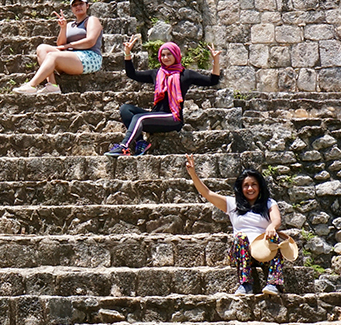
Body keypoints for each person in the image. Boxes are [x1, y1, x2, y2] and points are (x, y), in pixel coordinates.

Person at [106, 36, 221, 156]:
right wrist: (127, 53)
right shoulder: (157, 73)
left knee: (140, 118)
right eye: (163, 55)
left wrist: (216, 60)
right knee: (125, 109)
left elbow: (212, 81)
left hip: (173, 118)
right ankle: (140, 143)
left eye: (169, 54)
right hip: (155, 116)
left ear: (176, 55)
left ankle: (124, 147)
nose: (165, 58)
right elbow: (132, 74)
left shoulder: (186, 74)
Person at [186, 155, 284, 295]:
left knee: (275, 239)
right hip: (242, 253)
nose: (250, 188)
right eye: (246, 185)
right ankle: (245, 284)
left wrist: (271, 227)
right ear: (241, 188)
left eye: (253, 184)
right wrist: (193, 174)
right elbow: (207, 193)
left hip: (264, 253)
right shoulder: (232, 204)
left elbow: (276, 219)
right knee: (240, 237)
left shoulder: (269, 203)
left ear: (260, 187)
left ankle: (274, 283)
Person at [12, 0, 103, 95]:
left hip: (90, 57)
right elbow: (60, 45)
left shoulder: (92, 20)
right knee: (42, 48)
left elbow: (90, 41)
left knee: (52, 56)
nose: (78, 7)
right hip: (73, 56)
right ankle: (52, 86)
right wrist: (63, 28)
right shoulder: (70, 25)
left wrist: (69, 45)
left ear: (87, 5)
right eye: (74, 5)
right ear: (71, 9)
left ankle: (31, 85)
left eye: (81, 4)